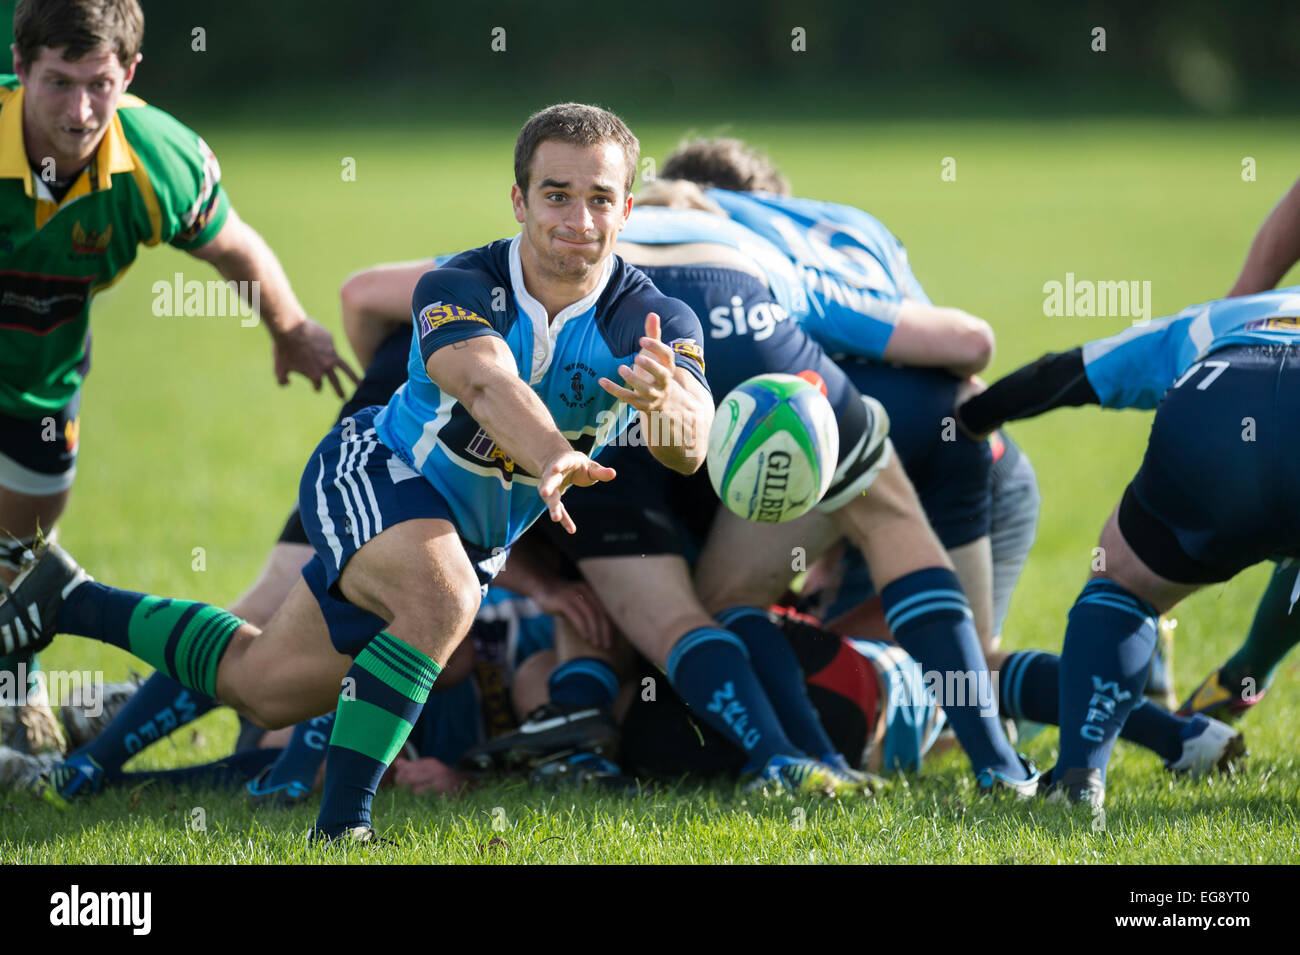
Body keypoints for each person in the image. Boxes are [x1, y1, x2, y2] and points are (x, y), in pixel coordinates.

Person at [0, 102, 714, 844]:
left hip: (469, 533)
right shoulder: (460, 284)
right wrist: (553, 454)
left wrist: (670, 406)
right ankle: (343, 831)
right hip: (372, 469)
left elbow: (690, 443)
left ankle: (71, 599)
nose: (578, 218)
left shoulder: (653, 317)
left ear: (628, 208)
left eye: (600, 198)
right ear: (519, 200)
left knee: (263, 685)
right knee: (446, 597)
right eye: (557, 194)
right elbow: (483, 383)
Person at [0, 0, 357, 757]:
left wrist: (290, 326)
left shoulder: (157, 160)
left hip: (41, 376)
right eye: (58, 82)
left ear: (128, 75)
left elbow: (235, 248)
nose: (79, 108)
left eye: (99, 84)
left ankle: (15, 686)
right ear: (20, 66)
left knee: (19, 546)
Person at [958, 285, 1300, 806]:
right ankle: (1235, 685)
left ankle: (1078, 780)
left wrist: (973, 418)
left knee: (1123, 579)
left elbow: (1068, 373)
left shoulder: (1210, 318)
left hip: (1218, 407)